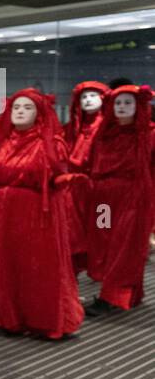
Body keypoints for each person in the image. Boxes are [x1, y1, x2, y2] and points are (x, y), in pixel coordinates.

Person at [0, 89, 84, 340]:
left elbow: (58, 177)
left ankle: (44, 320)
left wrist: (66, 179)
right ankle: (8, 319)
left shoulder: (51, 143)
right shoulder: (3, 142)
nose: (20, 111)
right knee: (6, 265)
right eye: (16, 107)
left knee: (39, 266)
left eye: (27, 108)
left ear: (39, 112)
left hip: (37, 213)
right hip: (3, 214)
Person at [71, 84, 154, 315]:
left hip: (132, 199)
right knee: (103, 241)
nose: (122, 107)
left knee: (124, 246)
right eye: (118, 102)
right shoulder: (104, 134)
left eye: (128, 102)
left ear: (139, 106)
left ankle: (112, 296)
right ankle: (129, 293)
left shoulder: (149, 134)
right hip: (103, 200)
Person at [64, 81, 109, 273]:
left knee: (102, 229)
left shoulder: (109, 127)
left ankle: (102, 273)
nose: (88, 100)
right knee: (73, 234)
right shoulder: (74, 128)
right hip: (75, 190)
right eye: (84, 96)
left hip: (101, 192)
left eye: (93, 95)